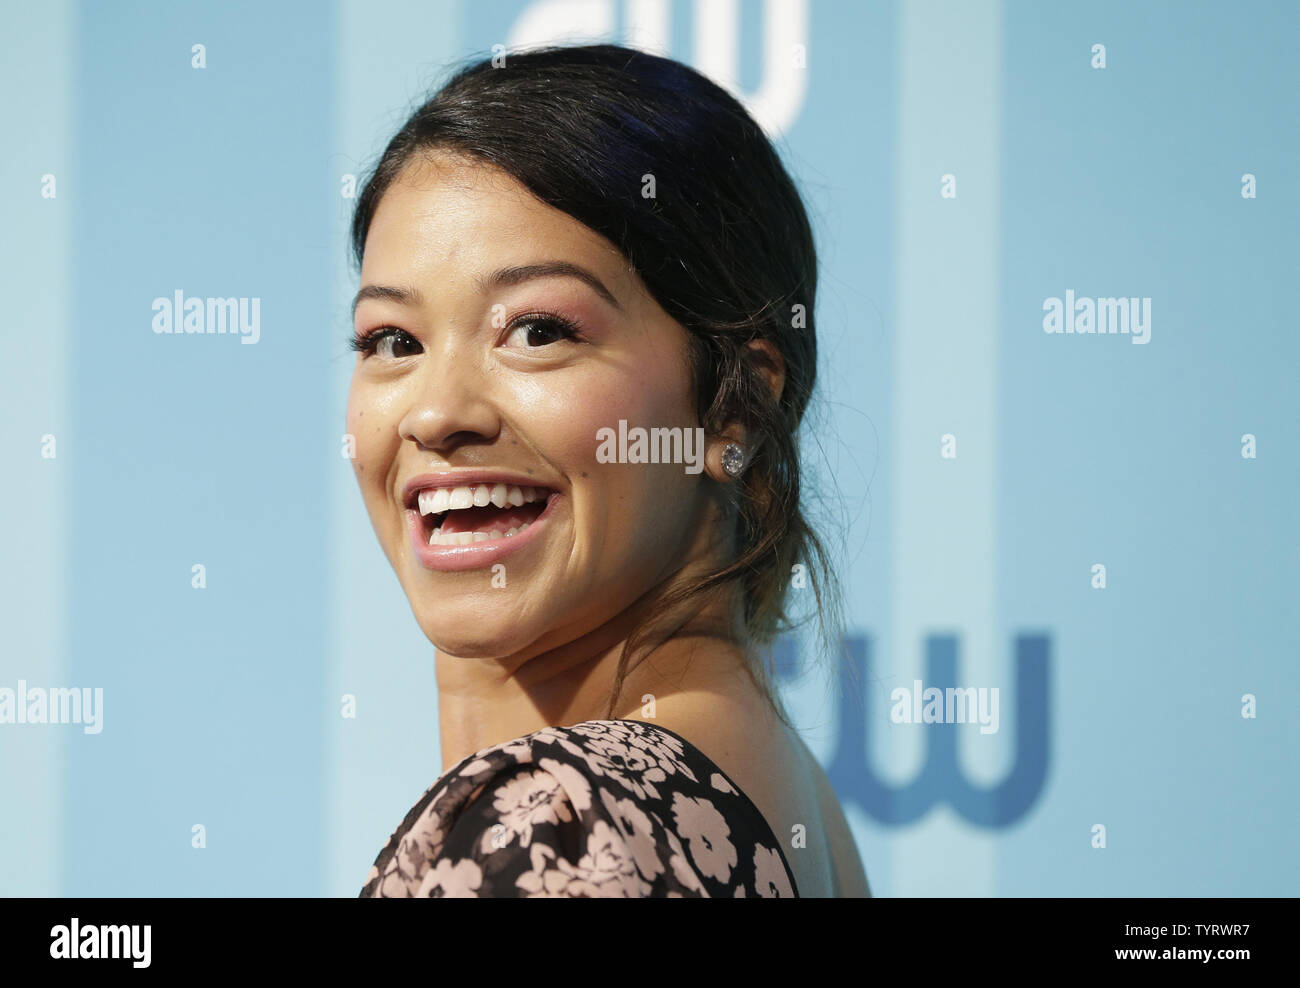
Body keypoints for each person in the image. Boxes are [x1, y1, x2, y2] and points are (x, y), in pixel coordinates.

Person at [346, 42, 869, 898]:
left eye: (540, 331)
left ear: (731, 408)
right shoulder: (783, 803)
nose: (436, 413)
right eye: (392, 342)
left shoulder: (553, 824)